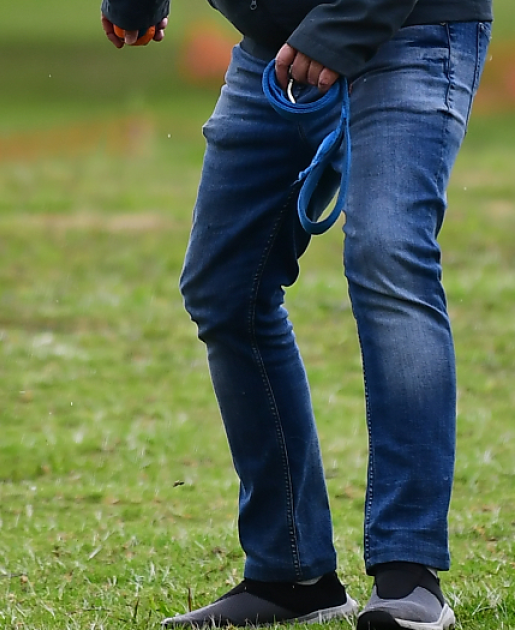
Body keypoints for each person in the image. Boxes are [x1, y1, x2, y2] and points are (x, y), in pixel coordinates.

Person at [98, 1, 492, 628]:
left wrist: (342, 27)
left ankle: (408, 576)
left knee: (387, 256)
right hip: (273, 47)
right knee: (225, 288)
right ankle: (292, 574)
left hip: (409, 29)